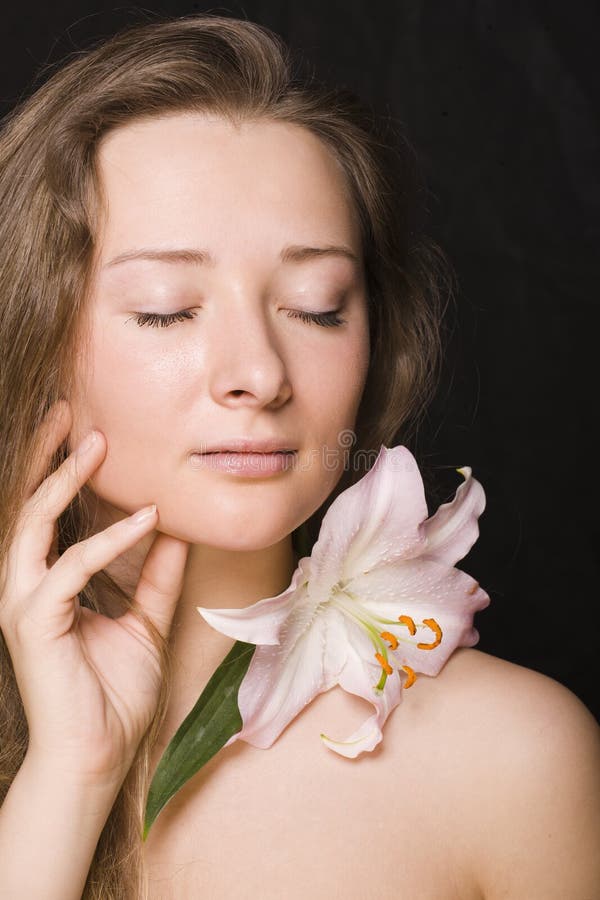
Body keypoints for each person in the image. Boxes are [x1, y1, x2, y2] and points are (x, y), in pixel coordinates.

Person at [0, 13, 598, 900]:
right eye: (167, 309)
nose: (259, 375)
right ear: (31, 339)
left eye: (318, 307)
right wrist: (71, 779)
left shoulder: (512, 759)